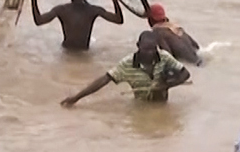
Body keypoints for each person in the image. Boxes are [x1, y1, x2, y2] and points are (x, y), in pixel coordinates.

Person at [62, 31, 191, 106]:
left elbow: (185, 74)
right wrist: (76, 98)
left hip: (163, 105)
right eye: (146, 49)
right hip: (142, 107)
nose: (150, 53)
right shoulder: (127, 64)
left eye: (153, 49)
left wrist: (168, 85)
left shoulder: (164, 57)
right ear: (138, 46)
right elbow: (104, 80)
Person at [32, 0, 124, 51]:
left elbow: (118, 20)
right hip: (67, 52)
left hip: (84, 52)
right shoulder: (62, 10)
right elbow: (39, 21)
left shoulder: (92, 10)